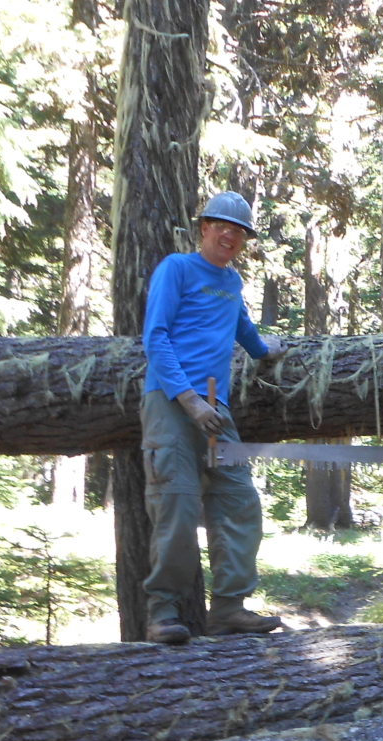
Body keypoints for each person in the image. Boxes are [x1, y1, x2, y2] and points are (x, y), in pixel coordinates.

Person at [139, 191, 282, 644]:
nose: (230, 235)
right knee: (176, 507)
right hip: (170, 402)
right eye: (222, 226)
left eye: (239, 231)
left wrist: (265, 351)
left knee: (239, 501)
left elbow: (241, 327)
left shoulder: (232, 282)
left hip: (216, 405)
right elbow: (155, 337)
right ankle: (162, 612)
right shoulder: (176, 269)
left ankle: (228, 608)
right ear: (204, 228)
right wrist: (188, 400)